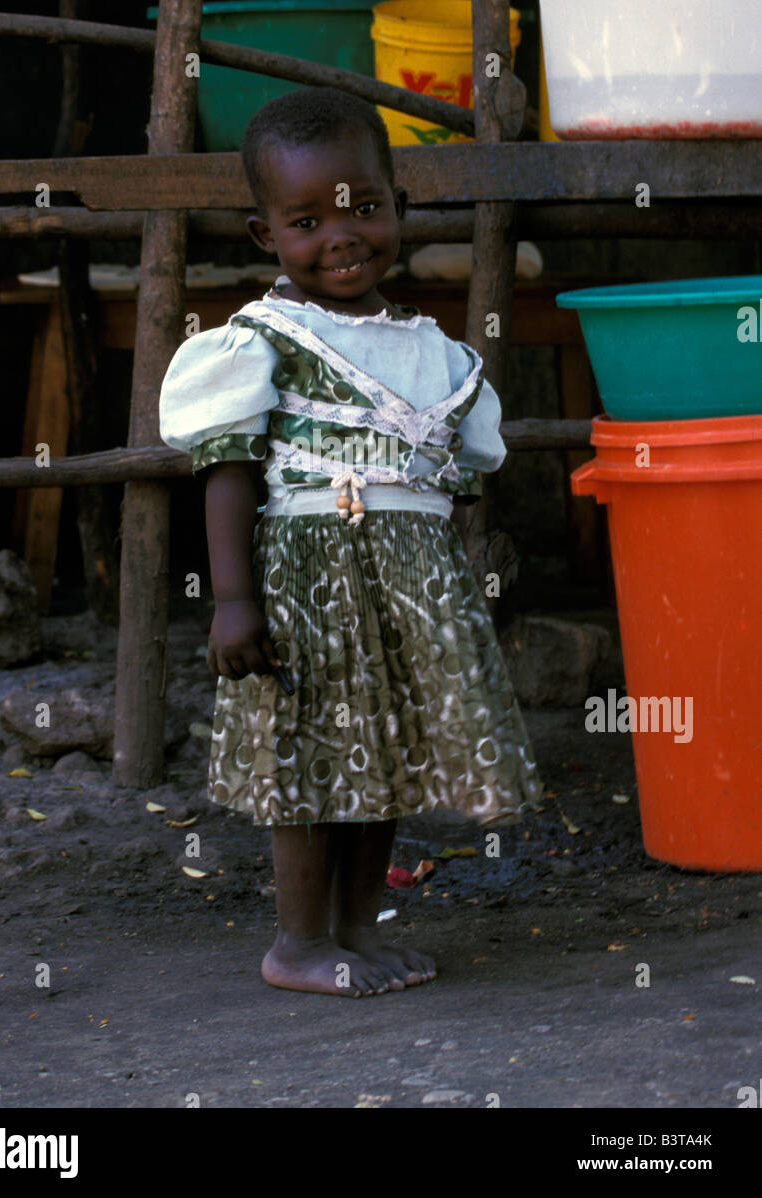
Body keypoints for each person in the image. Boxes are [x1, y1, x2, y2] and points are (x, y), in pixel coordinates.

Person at [159, 88, 543, 999]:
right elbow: (229, 474)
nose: (341, 236)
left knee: (388, 766)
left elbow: (463, 464)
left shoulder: (432, 349)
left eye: (364, 209)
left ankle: (358, 930)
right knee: (310, 768)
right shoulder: (261, 342)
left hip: (409, 593)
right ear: (265, 236)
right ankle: (296, 942)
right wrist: (232, 600)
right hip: (307, 588)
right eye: (306, 221)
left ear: (399, 208)